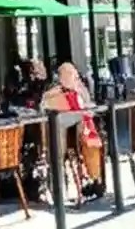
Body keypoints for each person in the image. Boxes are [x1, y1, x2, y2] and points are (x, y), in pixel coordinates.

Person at [43, 62, 104, 200]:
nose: (75, 78)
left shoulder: (78, 89)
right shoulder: (55, 93)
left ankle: (93, 179)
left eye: (74, 75)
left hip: (74, 139)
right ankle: (94, 179)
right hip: (67, 137)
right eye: (72, 75)